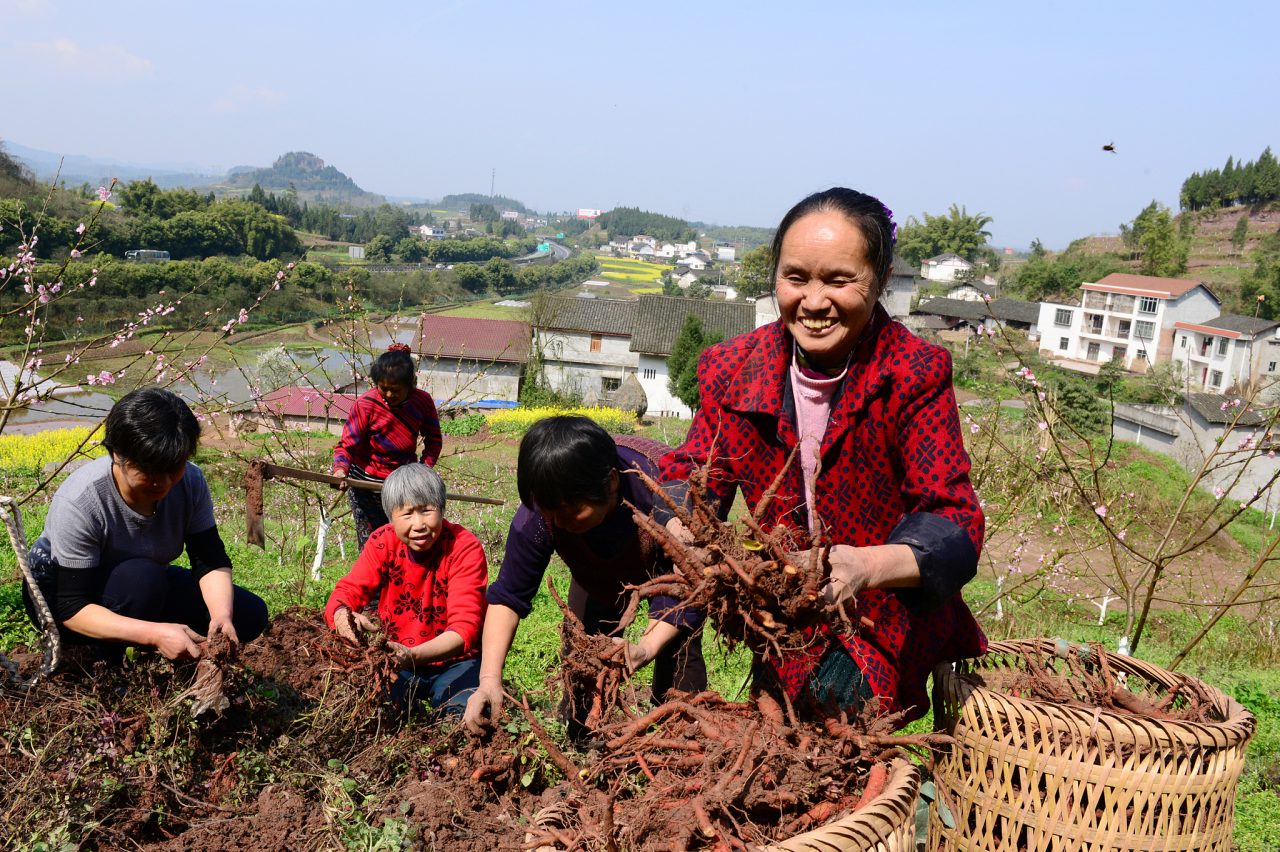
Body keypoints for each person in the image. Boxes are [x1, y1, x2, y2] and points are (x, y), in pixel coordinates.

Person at [659, 188, 986, 722]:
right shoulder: (733, 369)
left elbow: (953, 522)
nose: (813, 302)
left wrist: (864, 564)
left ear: (879, 279)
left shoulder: (912, 372)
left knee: (847, 744)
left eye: (839, 280)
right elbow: (696, 475)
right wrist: (682, 526)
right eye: (796, 278)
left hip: (879, 616)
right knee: (773, 747)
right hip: (780, 614)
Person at [463, 416, 707, 736]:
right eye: (551, 512)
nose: (560, 523)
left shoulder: (662, 497)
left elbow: (682, 590)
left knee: (680, 678)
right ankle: (586, 745)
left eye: (570, 511)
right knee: (583, 669)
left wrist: (645, 648)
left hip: (670, 575)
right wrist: (489, 681)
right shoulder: (543, 510)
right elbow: (508, 595)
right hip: (596, 576)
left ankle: (681, 750)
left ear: (611, 483)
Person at [25, 388, 268, 661]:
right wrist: (154, 634)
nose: (163, 482)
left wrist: (221, 616)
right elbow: (70, 605)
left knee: (249, 614)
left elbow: (209, 559)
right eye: (150, 470)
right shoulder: (82, 500)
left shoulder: (191, 482)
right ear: (117, 454)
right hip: (64, 597)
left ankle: (149, 627)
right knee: (142, 581)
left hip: (137, 582)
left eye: (174, 467)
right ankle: (107, 660)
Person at [324, 463, 486, 716]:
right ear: (391, 517)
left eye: (427, 511)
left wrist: (412, 654)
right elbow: (347, 592)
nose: (419, 524)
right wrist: (343, 618)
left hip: (456, 662)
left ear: (442, 509)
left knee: (461, 716)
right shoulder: (382, 542)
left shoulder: (463, 547)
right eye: (407, 514)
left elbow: (464, 629)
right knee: (372, 712)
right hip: (398, 661)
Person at [332, 343, 442, 548]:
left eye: (395, 390)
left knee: (403, 544)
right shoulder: (365, 405)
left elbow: (434, 439)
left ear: (411, 384)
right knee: (372, 546)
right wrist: (340, 470)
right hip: (364, 485)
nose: (389, 395)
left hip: (403, 487)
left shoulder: (422, 402)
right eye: (383, 389)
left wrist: (423, 470)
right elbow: (347, 445)